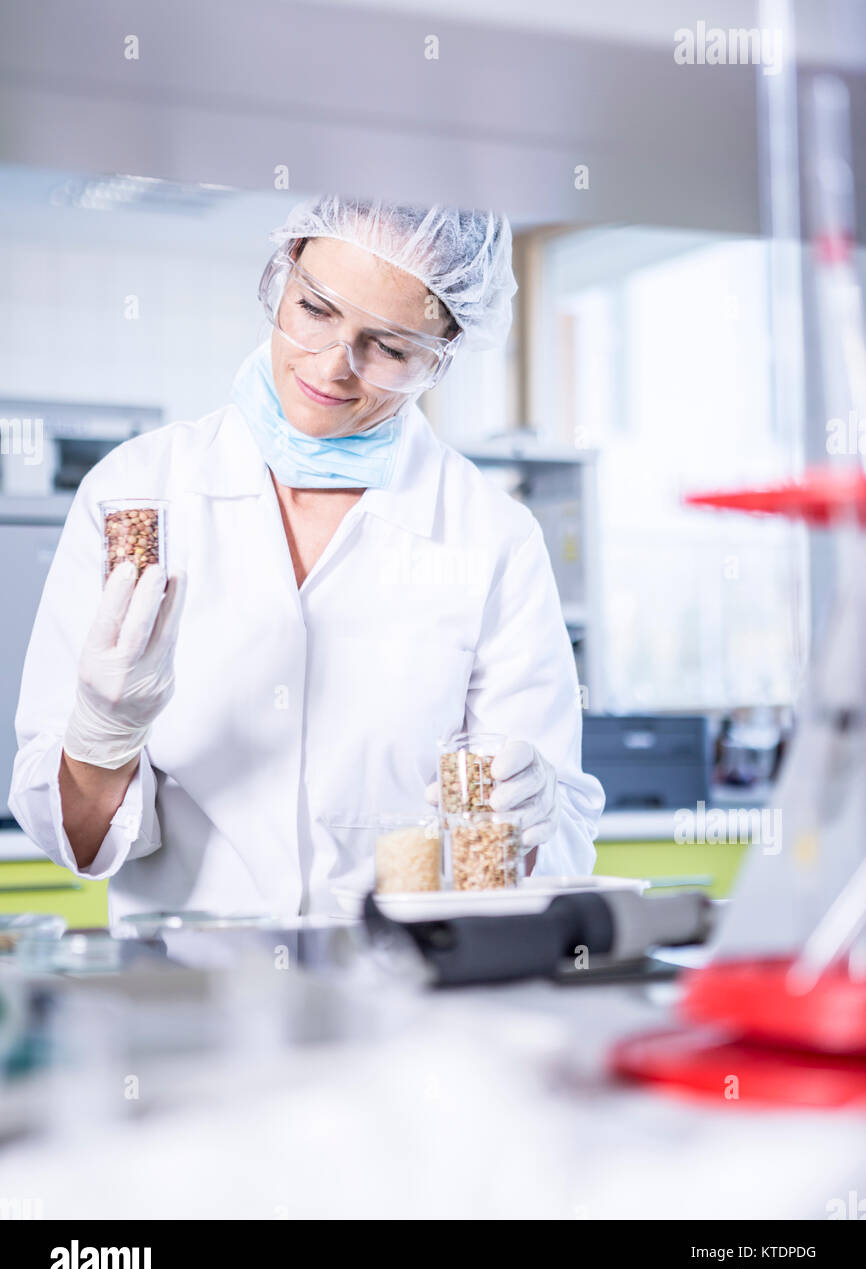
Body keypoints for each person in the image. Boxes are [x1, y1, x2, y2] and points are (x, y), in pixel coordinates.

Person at [9, 196, 604, 925]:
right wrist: (103, 734)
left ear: (441, 357)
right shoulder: (135, 491)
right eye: (315, 310)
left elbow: (566, 848)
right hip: (186, 1000)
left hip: (406, 998)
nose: (333, 367)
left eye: (388, 349)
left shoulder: (493, 537)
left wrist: (529, 821)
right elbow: (72, 842)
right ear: (281, 273)